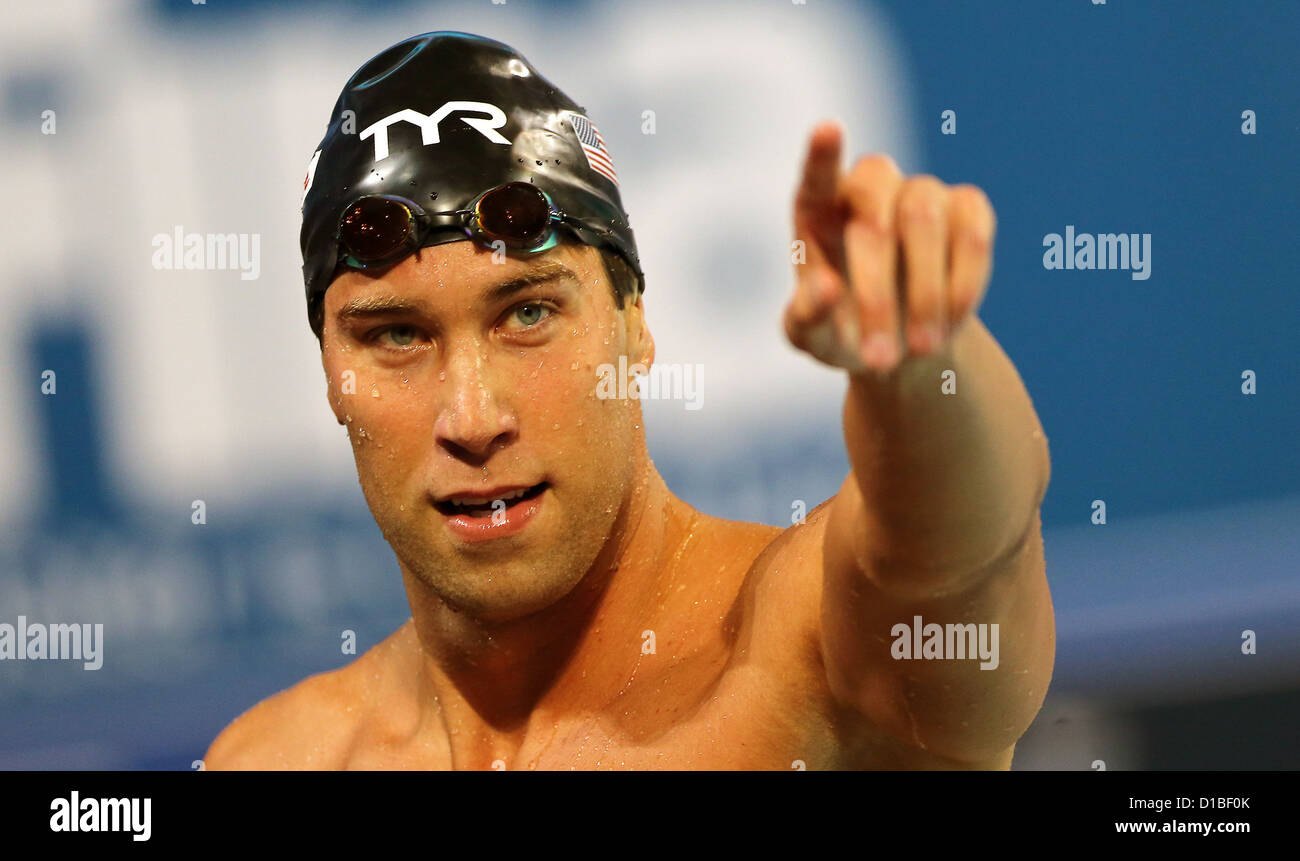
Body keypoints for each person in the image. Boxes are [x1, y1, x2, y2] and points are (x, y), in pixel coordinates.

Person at [204, 30, 1053, 770]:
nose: (471, 418)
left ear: (633, 324)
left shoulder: (808, 663)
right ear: (329, 373)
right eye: (395, 336)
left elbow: (964, 550)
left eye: (528, 313)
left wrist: (920, 361)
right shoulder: (274, 758)